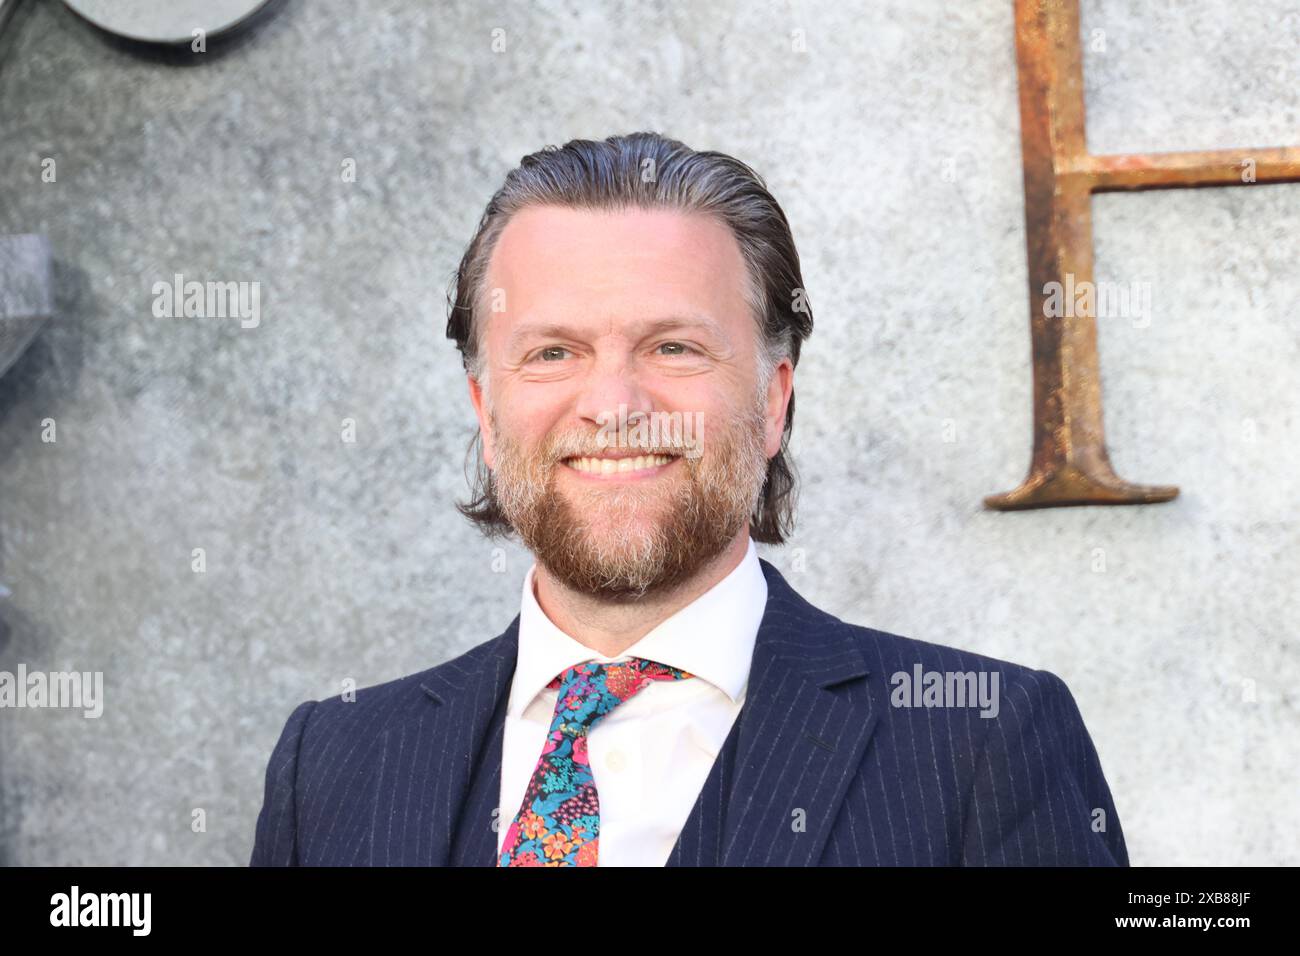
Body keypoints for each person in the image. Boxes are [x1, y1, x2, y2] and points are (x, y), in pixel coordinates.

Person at [250, 132, 1128, 867]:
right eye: (552, 353)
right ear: (486, 408)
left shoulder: (983, 742)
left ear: (774, 399)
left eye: (673, 348)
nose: (615, 407)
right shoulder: (333, 762)